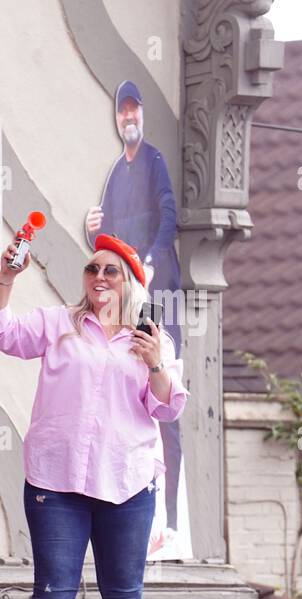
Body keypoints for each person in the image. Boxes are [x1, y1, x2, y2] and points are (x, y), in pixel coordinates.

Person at [0, 233, 187, 599]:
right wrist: (7, 277)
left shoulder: (152, 339)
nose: (99, 278)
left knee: (124, 590)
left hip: (126, 479)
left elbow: (168, 406)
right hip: (57, 478)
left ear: (130, 282)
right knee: (53, 588)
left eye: (111, 271)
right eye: (93, 269)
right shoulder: (58, 324)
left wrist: (155, 365)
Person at [85, 80, 182, 540]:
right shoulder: (114, 173)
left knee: (162, 387)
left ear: (141, 114)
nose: (128, 117)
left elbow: (169, 216)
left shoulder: (154, 160)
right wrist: (92, 228)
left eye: (134, 110)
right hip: (124, 303)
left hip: (156, 294)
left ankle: (169, 517)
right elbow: (104, 243)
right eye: (122, 111)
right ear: (116, 117)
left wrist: (150, 259)